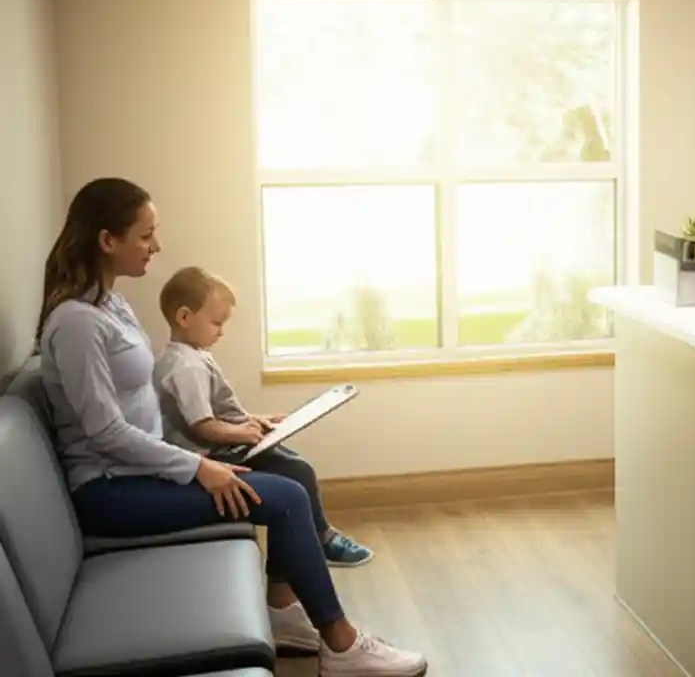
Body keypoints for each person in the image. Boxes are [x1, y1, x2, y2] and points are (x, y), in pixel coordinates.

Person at [36, 177, 427, 676]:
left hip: (140, 472)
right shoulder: (77, 323)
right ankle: (343, 646)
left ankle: (288, 618)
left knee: (289, 482)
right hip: (110, 493)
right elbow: (105, 432)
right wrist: (199, 465)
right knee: (286, 500)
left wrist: (229, 433)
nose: (157, 245)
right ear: (107, 240)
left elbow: (140, 402)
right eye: (145, 235)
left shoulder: (108, 305)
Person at [153, 265, 375, 568]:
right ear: (184, 317)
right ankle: (322, 538)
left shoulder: (190, 355)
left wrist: (254, 421)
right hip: (212, 457)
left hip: (223, 445)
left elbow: (217, 412)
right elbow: (202, 425)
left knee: (289, 460)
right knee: (298, 471)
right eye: (216, 322)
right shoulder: (185, 367)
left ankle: (312, 545)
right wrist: (243, 433)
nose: (222, 330)